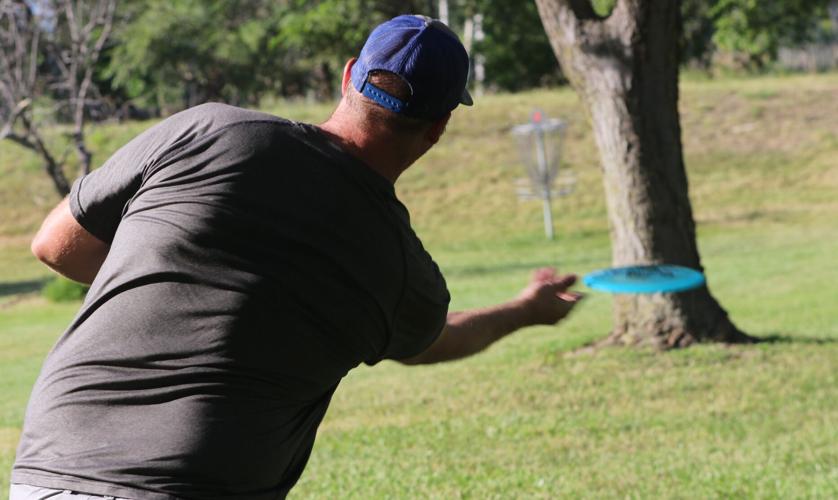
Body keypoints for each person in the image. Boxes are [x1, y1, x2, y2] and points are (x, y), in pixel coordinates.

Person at [11, 15, 583, 500]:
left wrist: (171, 279)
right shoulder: (397, 265)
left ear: (346, 80)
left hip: (47, 469)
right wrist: (527, 310)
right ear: (437, 129)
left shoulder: (206, 129)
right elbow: (438, 341)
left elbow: (56, 243)